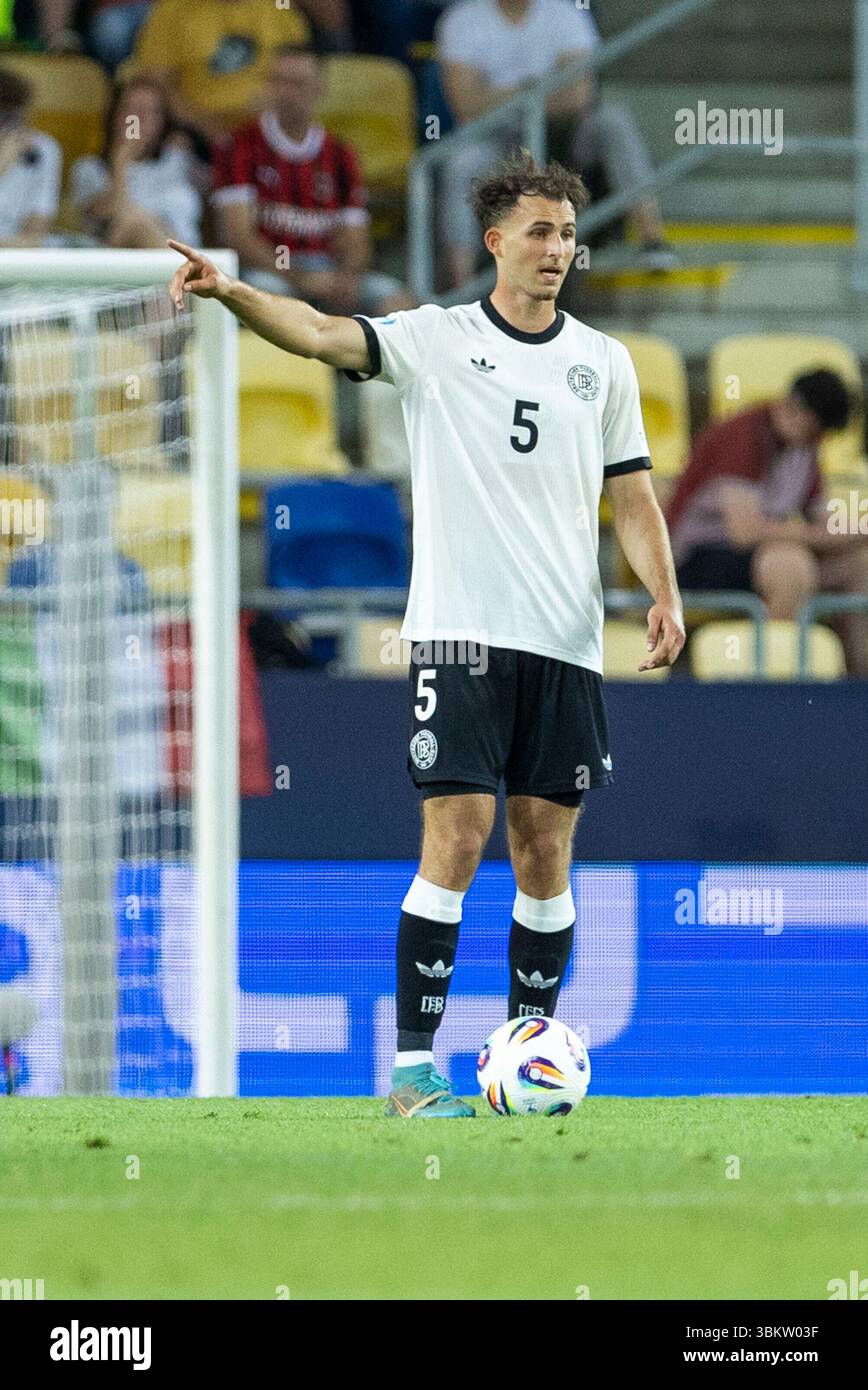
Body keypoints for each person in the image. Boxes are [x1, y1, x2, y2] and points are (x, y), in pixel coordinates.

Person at [168, 148, 685, 1118]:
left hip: (565, 642)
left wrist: (663, 593)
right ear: (495, 241)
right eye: (539, 231)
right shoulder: (435, 340)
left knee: (543, 851)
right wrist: (233, 290)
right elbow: (320, 332)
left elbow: (632, 494)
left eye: (569, 234)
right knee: (457, 834)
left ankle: (523, 1058)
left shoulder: (602, 363)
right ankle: (410, 1075)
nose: (558, 250)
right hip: (456, 636)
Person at [437, 0, 677, 287]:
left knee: (613, 122)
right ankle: (462, 284)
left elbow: (578, 95)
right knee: (461, 163)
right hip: (497, 136)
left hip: (562, 132)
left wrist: (505, 96)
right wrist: (537, 91)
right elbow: (467, 105)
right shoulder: (462, 19)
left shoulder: (564, 13)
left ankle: (652, 240)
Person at [667, 371, 868, 676]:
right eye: (816, 431)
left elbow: (822, 520)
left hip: (757, 556)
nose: (819, 440)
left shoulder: (804, 447)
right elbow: (744, 533)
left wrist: (855, 532)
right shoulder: (741, 436)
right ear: (793, 407)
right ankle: (775, 684)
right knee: (789, 565)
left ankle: (857, 683)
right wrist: (817, 534)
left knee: (859, 564)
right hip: (696, 557)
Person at [212, 45, 414, 315]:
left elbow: (357, 239)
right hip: (265, 270)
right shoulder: (240, 147)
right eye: (279, 81)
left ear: (318, 89)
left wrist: (347, 277)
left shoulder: (340, 155)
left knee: (399, 304)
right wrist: (300, 279)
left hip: (327, 269)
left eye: (297, 83)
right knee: (272, 301)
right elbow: (238, 236)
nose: (286, 92)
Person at [132, 0, 350, 146]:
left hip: (266, 130)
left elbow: (302, 69)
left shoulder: (278, 5)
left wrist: (272, 106)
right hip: (193, 134)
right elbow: (154, 84)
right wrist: (206, 124)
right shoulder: (173, 7)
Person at [71, 77, 203, 247]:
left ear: (163, 120)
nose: (142, 118)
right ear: (115, 115)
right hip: (127, 262)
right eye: (132, 110)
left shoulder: (179, 159)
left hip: (186, 253)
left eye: (152, 111)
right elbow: (106, 216)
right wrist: (120, 163)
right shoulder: (90, 168)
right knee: (136, 224)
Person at [0, 68, 61, 248]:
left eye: (16, 117)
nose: (11, 127)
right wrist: (3, 164)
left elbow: (37, 231)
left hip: (19, 254)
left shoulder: (44, 149)